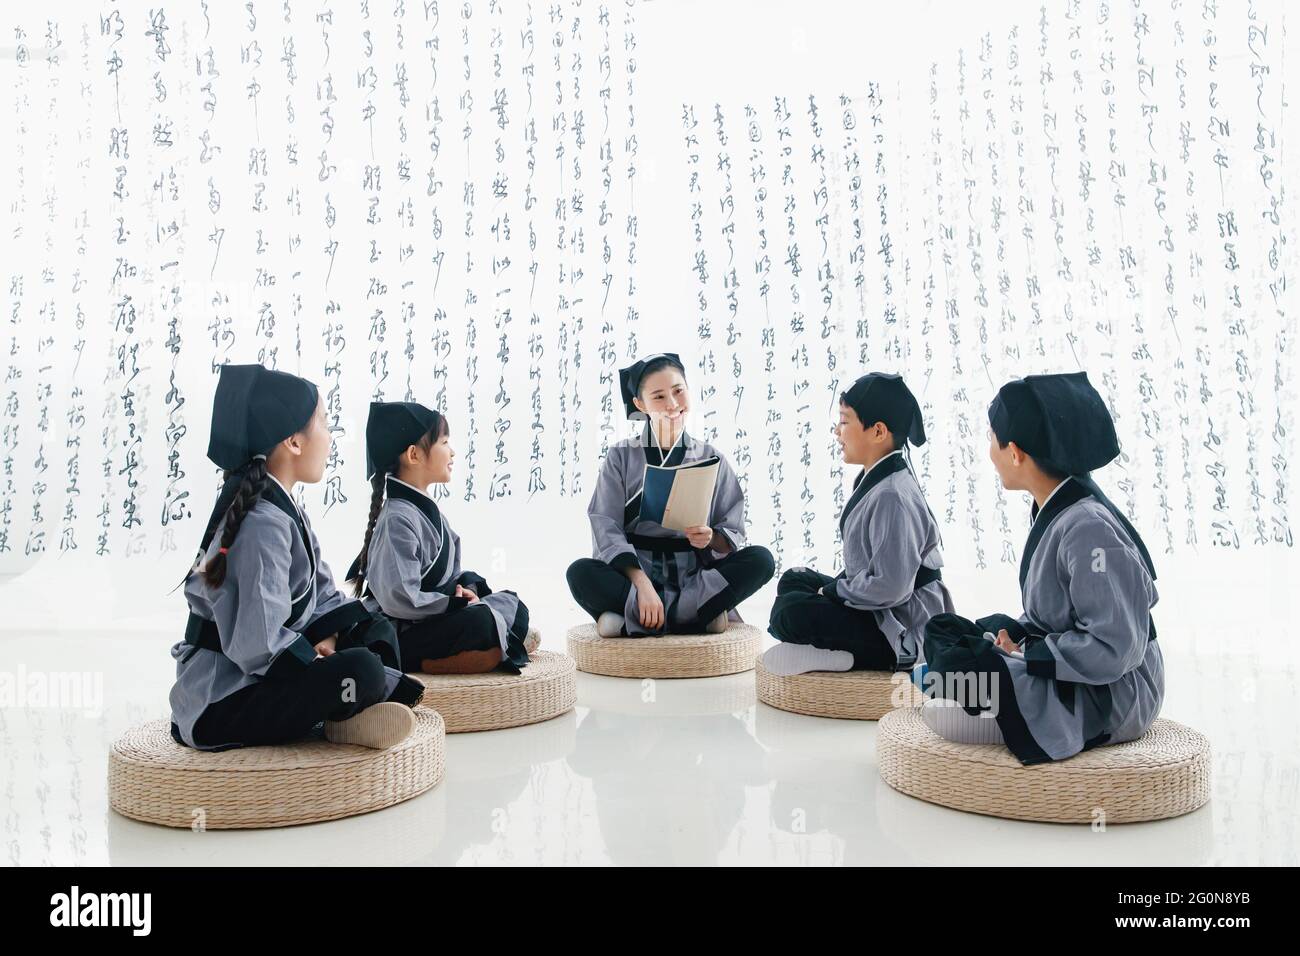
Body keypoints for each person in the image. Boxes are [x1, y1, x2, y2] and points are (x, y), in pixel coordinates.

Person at [169, 364, 424, 752]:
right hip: (225, 698)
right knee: (362, 670)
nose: (331, 438)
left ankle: (348, 710)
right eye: (324, 422)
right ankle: (347, 712)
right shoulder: (259, 524)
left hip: (265, 669)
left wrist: (334, 633)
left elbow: (324, 595)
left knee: (374, 628)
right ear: (293, 441)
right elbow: (258, 643)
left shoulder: (283, 510)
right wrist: (312, 657)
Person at [921, 371, 1164, 764]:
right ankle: (982, 691)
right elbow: (1054, 616)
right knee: (946, 630)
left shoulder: (1087, 527)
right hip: (1071, 658)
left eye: (990, 438)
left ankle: (996, 705)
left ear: (1015, 452)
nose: (989, 450)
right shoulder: (1059, 508)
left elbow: (1116, 647)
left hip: (1118, 690)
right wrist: (1018, 645)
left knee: (969, 666)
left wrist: (1027, 653)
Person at [566, 352, 774, 636]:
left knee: (761, 560)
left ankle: (630, 619)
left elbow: (731, 528)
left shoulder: (711, 456)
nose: (673, 404)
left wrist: (710, 537)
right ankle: (696, 616)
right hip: (636, 573)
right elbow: (605, 525)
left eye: (678, 391)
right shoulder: (620, 456)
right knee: (580, 573)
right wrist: (641, 584)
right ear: (640, 404)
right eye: (659, 397)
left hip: (693, 577)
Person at [765, 372, 953, 675]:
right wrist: (833, 590)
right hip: (880, 606)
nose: (837, 432)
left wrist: (833, 592)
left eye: (844, 421)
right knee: (794, 580)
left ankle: (852, 657)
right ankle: (833, 646)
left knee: (791, 612)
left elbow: (892, 588)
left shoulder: (892, 495)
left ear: (878, 431)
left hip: (901, 623)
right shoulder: (877, 478)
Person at [347, 400, 532, 674]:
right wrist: (454, 604)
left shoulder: (419, 508)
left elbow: (448, 576)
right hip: (403, 629)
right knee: (480, 620)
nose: (453, 452)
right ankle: (428, 661)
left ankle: (487, 643)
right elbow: (400, 600)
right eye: (444, 443)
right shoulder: (397, 518)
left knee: (512, 603)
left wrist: (463, 592)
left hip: (430, 617)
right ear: (414, 455)